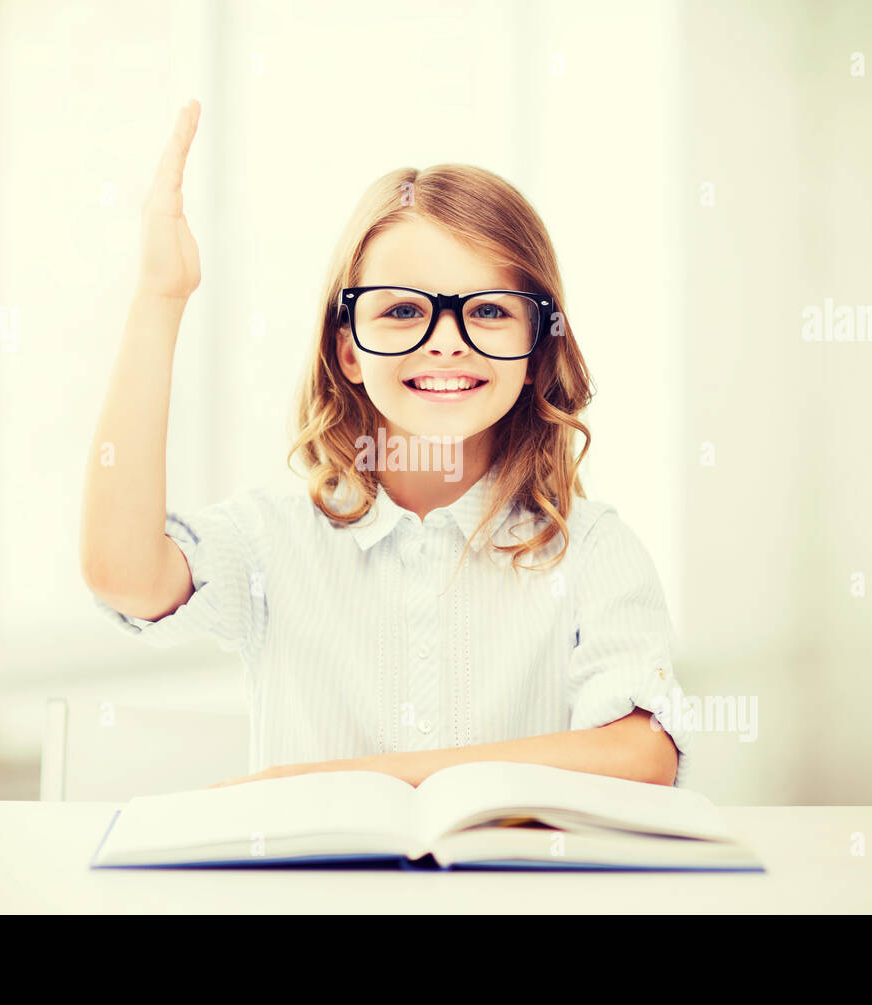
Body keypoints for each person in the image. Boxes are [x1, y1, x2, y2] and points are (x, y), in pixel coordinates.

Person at [81, 99, 692, 789]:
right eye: (402, 310)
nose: (446, 339)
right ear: (346, 349)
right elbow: (123, 576)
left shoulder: (592, 549)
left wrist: (373, 776)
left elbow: (645, 756)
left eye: (489, 310)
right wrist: (159, 297)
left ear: (535, 343)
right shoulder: (271, 540)